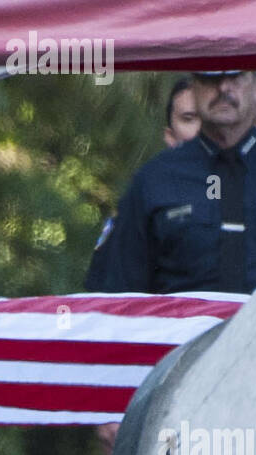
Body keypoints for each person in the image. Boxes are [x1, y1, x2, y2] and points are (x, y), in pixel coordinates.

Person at [92, 69, 256, 296]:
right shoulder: (155, 180)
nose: (223, 88)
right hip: (184, 336)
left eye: (236, 76)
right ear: (193, 86)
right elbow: (115, 293)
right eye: (210, 78)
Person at [86, 77, 200, 295]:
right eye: (189, 119)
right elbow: (113, 292)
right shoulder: (147, 191)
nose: (202, 131)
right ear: (170, 136)